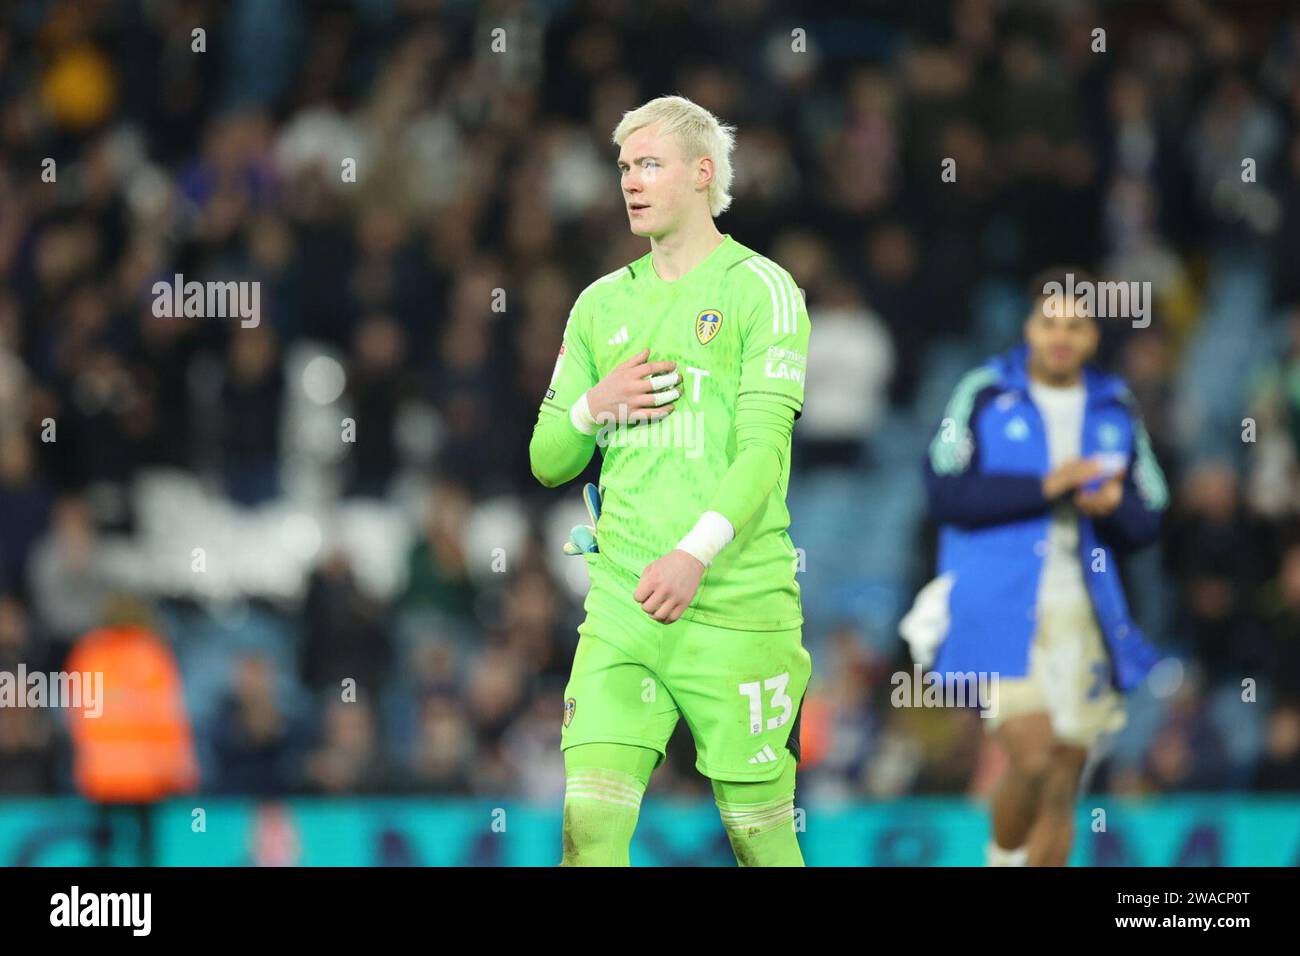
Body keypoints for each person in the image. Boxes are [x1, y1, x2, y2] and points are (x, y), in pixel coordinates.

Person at [529, 95, 812, 866]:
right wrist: (594, 405)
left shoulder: (762, 290)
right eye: (624, 167)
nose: (631, 181)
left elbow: (762, 453)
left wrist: (694, 553)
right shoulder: (598, 306)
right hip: (624, 602)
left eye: (649, 164)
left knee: (763, 844)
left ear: (702, 173)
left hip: (736, 605)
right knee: (588, 831)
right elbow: (547, 457)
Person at [913, 268, 1169, 866]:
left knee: (1063, 781)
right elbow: (943, 493)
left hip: (1087, 613)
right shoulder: (983, 391)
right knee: (1031, 755)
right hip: (999, 605)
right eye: (1048, 323)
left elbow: (1150, 518)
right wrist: (1049, 485)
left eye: (1075, 325)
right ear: (1028, 326)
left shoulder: (1115, 406)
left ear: (1093, 335)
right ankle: (1001, 858)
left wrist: (1114, 509)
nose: (1061, 337)